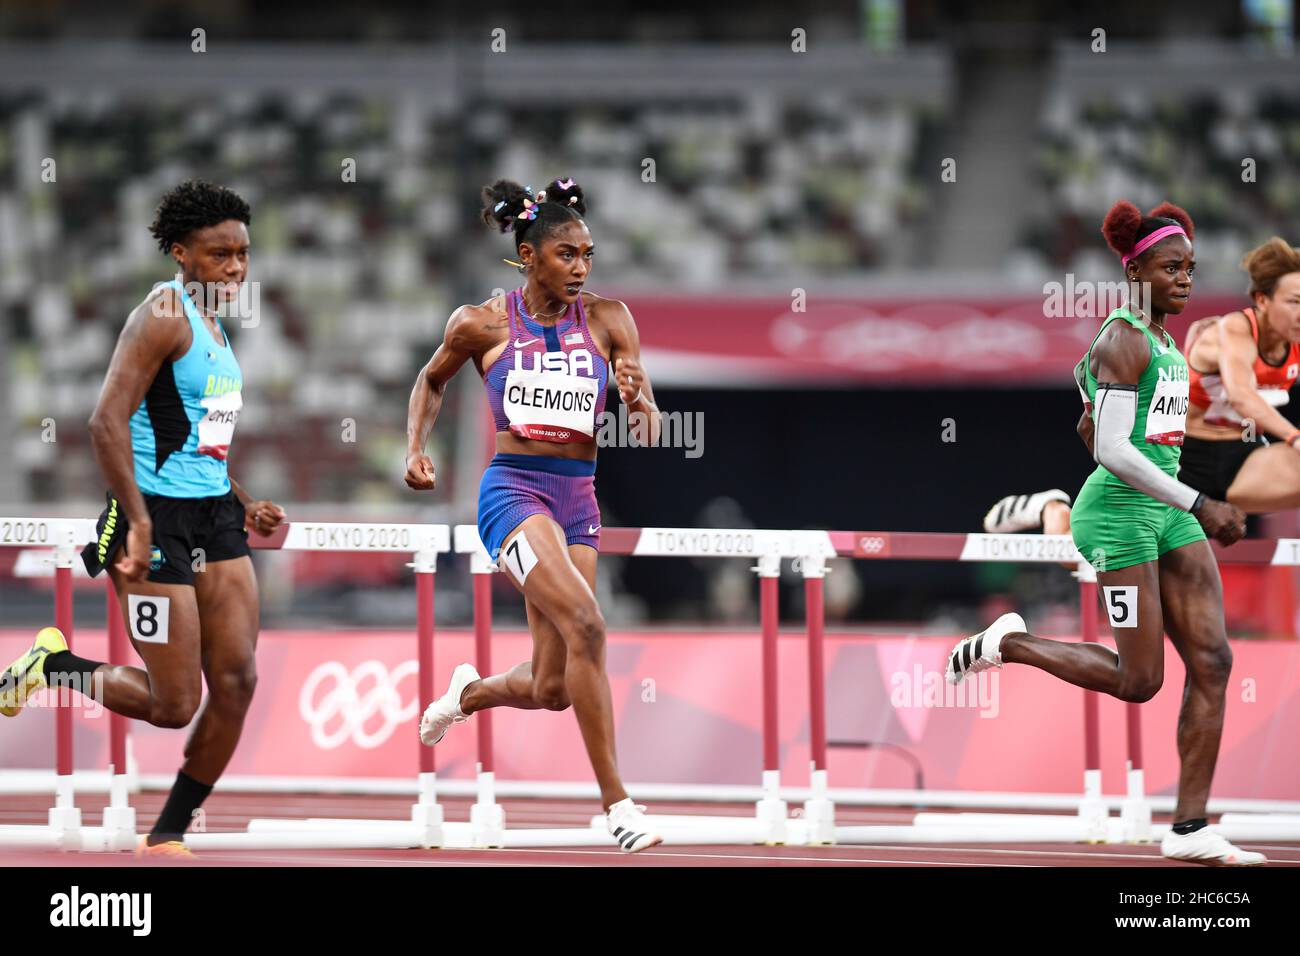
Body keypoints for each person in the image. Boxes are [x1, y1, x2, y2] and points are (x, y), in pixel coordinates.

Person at [948, 201, 1265, 866]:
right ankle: (1012, 643)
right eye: (1171, 267)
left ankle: (1189, 828)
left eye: (1191, 268)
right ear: (1136, 270)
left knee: (1214, 661)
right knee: (1139, 680)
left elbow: (1135, 427)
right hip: (1122, 510)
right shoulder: (1124, 337)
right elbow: (1114, 453)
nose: (1184, 278)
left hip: (1167, 509)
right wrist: (1203, 503)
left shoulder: (1167, 343)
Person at [0, 180, 285, 857]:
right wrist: (138, 520)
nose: (237, 269)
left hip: (214, 516)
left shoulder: (217, 324)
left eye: (244, 255)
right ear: (181, 253)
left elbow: (199, 438)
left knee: (239, 680)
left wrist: (245, 502)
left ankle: (169, 832)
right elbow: (105, 421)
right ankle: (55, 665)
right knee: (173, 704)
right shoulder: (162, 315)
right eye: (220, 256)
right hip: (150, 519)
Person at [404, 176, 664, 853]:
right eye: (566, 255)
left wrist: (639, 404)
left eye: (587, 255)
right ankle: (619, 806)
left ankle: (467, 695)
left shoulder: (611, 320)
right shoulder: (480, 323)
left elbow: (653, 430)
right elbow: (431, 380)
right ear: (528, 256)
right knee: (588, 622)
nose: (580, 268)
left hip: (579, 500)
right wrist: (415, 449)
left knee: (552, 686)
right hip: (513, 494)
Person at [988, 236, 1300, 531]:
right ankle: (1050, 508)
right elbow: (1242, 395)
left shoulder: (1294, 341)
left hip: (1241, 461)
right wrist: (1293, 436)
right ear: (1263, 300)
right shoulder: (1234, 330)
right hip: (1177, 460)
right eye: (1294, 302)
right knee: (1088, 554)